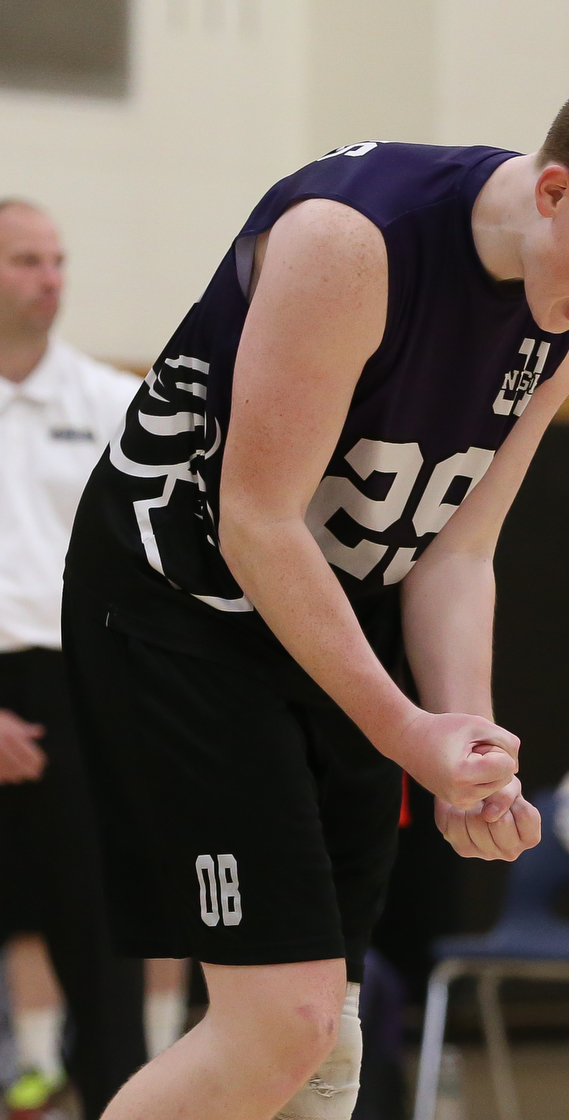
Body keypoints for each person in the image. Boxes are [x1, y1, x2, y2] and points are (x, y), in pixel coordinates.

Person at [60, 45, 569, 1120]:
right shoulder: (351, 241)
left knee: (327, 1041)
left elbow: (458, 546)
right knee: (277, 1023)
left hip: (332, 611)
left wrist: (463, 744)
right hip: (180, 609)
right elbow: (256, 520)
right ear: (555, 190)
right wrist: (401, 729)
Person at [0, 198, 148, 1116]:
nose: (49, 278)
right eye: (26, 260)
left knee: (100, 944)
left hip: (75, 689)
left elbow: (147, 563)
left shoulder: (111, 404)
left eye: (58, 260)